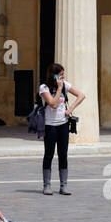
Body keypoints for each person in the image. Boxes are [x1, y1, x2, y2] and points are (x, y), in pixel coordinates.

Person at [40, 63, 85, 196]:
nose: (62, 77)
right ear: (53, 75)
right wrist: (59, 88)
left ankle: (63, 185)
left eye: (63, 75)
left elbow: (81, 95)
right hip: (50, 125)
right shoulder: (44, 88)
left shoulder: (65, 85)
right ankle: (47, 185)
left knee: (63, 154)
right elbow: (53, 104)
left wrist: (70, 109)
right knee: (49, 154)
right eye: (60, 75)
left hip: (63, 125)